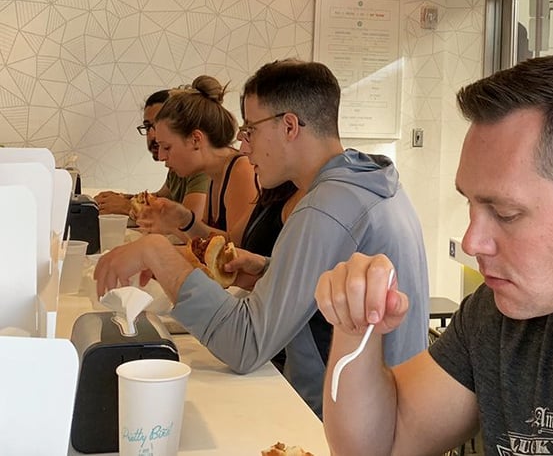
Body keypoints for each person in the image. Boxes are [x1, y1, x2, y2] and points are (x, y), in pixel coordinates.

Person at [315, 54, 553, 456]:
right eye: (470, 206)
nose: (472, 242)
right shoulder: (503, 317)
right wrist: (355, 321)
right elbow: (376, 446)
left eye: (506, 214)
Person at [94, 59, 429, 417]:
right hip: (394, 407)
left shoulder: (327, 207)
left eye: (250, 130)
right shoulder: (371, 180)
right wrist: (266, 268)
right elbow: (331, 285)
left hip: (342, 421)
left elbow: (245, 344)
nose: (244, 145)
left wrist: (159, 254)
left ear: (288, 127)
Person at [134, 76, 257, 245]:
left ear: (196, 139)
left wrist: (184, 222)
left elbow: (235, 248)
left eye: (167, 147)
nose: (161, 156)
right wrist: (176, 223)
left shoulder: (240, 170)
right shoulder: (214, 174)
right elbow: (205, 240)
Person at [95, 89, 209, 222]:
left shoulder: (203, 167)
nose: (152, 135)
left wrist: (128, 207)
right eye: (148, 126)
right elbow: (159, 198)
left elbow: (189, 224)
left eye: (157, 126)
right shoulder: (178, 166)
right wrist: (122, 198)